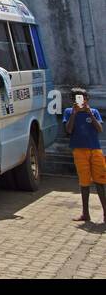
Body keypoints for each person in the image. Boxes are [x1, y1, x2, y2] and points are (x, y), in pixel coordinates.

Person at [63, 86, 106, 222]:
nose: (83, 101)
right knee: (84, 183)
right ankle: (85, 213)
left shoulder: (94, 111)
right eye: (79, 99)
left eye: (84, 98)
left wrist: (90, 114)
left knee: (100, 181)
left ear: (88, 99)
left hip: (95, 149)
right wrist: (75, 114)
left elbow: (99, 129)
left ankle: (105, 213)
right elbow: (68, 130)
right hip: (79, 150)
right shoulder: (69, 112)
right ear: (73, 100)